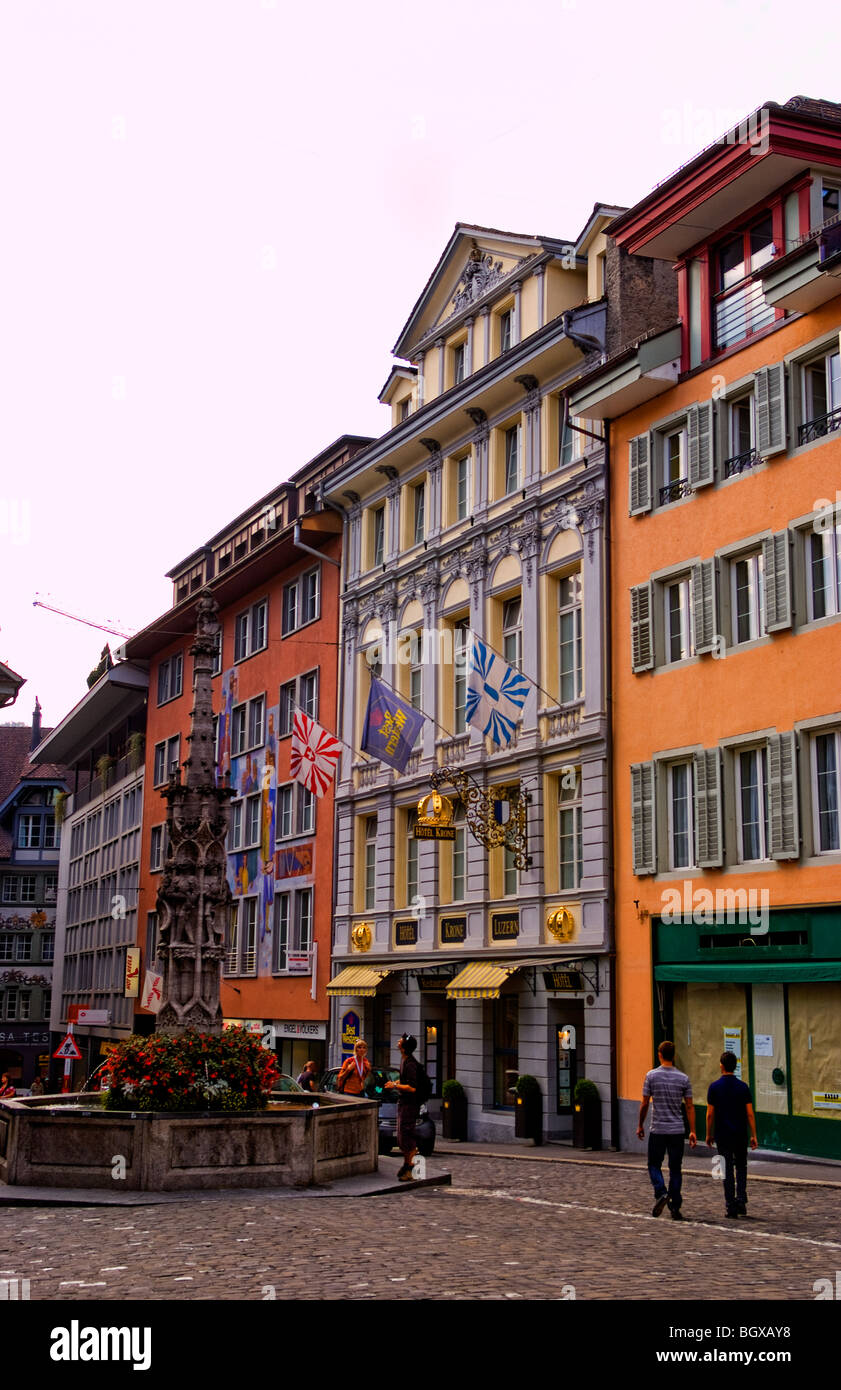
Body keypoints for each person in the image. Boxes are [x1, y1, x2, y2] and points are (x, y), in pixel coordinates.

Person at [637, 1040, 696, 1220]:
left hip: (658, 1129)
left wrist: (640, 1124)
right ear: (674, 1055)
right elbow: (689, 1106)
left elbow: (645, 1103)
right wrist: (692, 1130)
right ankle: (675, 1206)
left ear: (660, 1055)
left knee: (654, 1164)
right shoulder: (683, 1078)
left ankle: (661, 1192)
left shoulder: (651, 1076)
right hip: (677, 1129)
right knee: (675, 1168)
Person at [706, 1051, 758, 1218]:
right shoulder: (743, 1087)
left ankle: (730, 1205)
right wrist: (754, 1134)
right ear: (735, 1066)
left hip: (723, 1134)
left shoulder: (714, 1087)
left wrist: (708, 1133)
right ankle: (741, 1199)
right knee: (741, 1166)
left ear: (721, 1066)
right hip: (740, 1134)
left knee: (726, 1169)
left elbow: (710, 1114)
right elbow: (750, 1113)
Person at [385, 1033, 421, 1181]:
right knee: (402, 1137)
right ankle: (407, 1166)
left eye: (401, 1040)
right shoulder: (404, 1060)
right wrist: (395, 1083)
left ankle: (410, 1168)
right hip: (404, 1103)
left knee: (406, 1136)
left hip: (409, 1105)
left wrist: (394, 1085)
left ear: (404, 1047)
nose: (398, 1040)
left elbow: (412, 1087)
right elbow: (405, 1081)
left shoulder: (410, 1064)